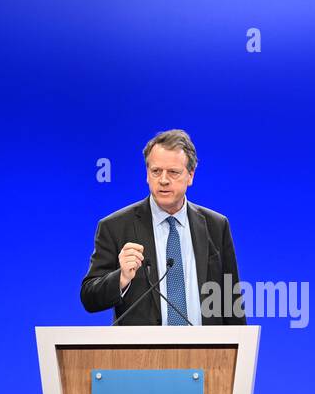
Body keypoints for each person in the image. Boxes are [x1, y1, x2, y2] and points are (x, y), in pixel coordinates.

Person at [80, 129, 245, 325]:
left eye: (173, 172)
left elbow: (231, 301)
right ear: (147, 175)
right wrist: (121, 278)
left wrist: (239, 343)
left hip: (204, 344)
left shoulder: (216, 226)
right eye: (156, 171)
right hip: (142, 345)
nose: (164, 180)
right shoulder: (115, 227)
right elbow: (89, 298)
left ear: (190, 175)